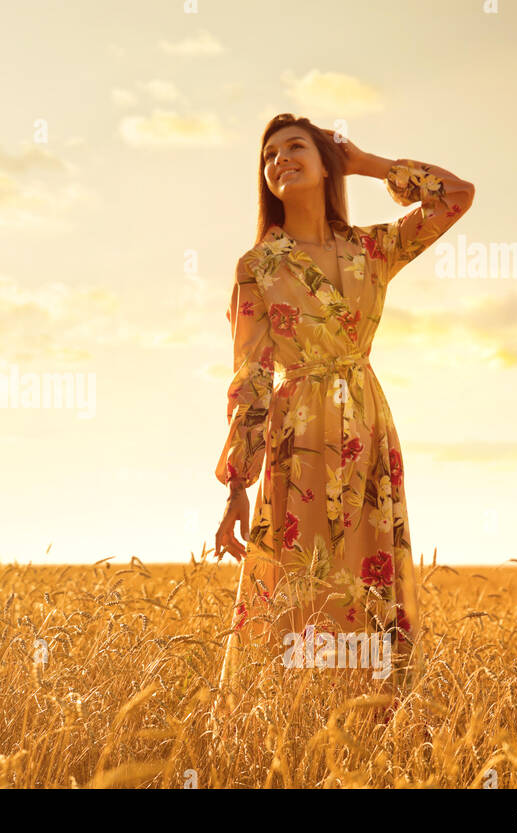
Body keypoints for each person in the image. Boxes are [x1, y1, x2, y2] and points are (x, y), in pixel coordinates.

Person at [212, 113, 475, 712]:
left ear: (324, 161)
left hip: (366, 425)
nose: (278, 160)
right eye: (268, 156)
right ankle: (289, 730)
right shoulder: (258, 266)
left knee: (370, 580)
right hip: (298, 434)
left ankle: (378, 727)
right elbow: (250, 376)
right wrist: (236, 486)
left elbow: (458, 196)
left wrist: (365, 164)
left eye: (294, 147)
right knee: (301, 584)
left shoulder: (371, 247)